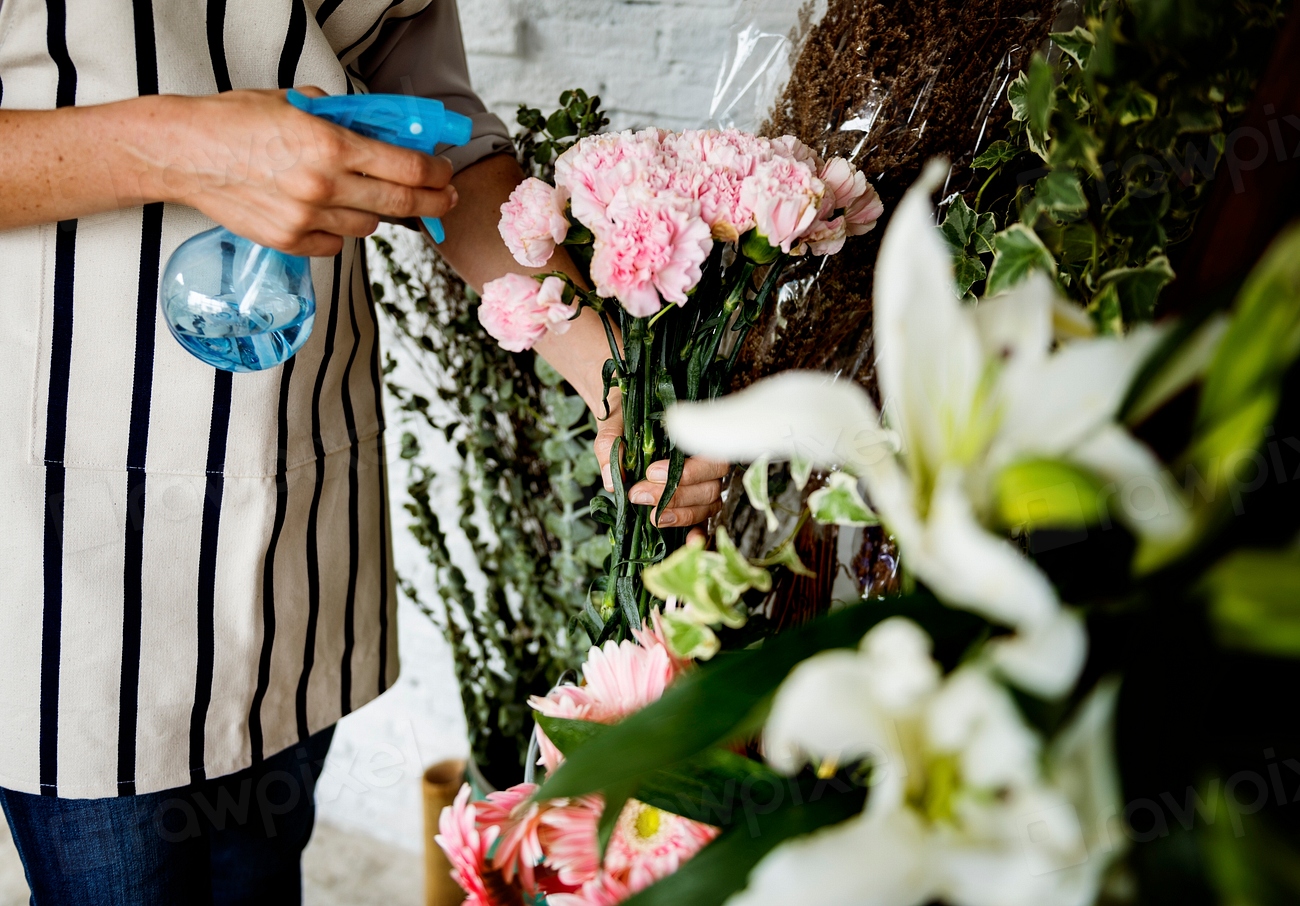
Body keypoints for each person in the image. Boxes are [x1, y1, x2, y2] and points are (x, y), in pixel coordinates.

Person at [0, 1, 727, 902]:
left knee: (261, 876)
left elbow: (440, 131)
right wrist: (182, 146)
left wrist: (614, 377)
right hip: (65, 513)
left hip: (297, 482)